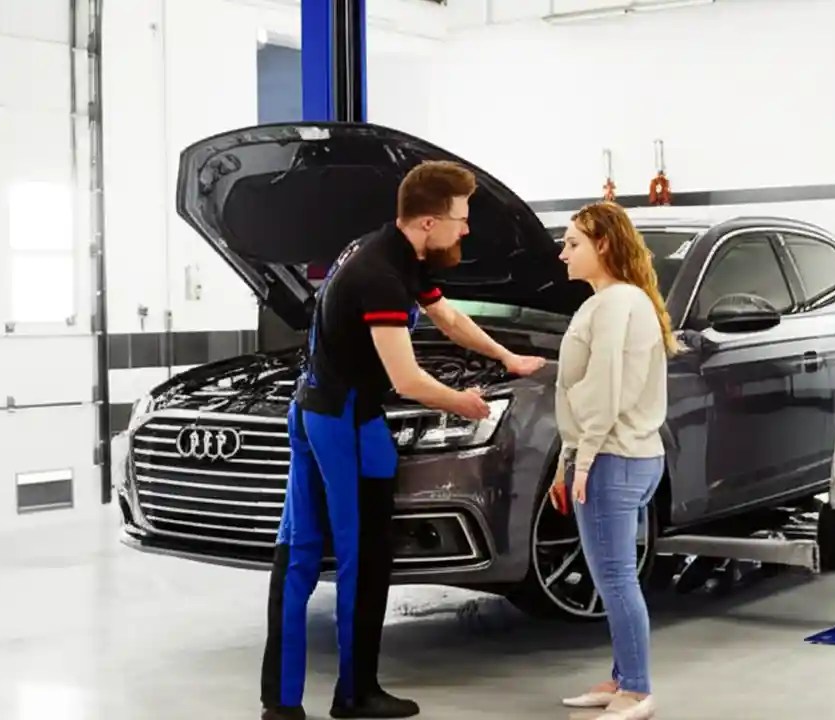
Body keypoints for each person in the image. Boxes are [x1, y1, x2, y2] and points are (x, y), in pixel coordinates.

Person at [260, 160, 547, 720]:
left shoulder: (393, 251)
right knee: (348, 555)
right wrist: (464, 402)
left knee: (326, 550)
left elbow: (449, 320)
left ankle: (311, 697)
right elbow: (408, 380)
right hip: (337, 420)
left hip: (333, 411)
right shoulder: (379, 275)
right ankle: (336, 697)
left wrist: (507, 358)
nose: (465, 230)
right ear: (427, 223)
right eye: (460, 219)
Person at [549, 201, 680, 720]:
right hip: (631, 456)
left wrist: (581, 463)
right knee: (614, 575)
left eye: (573, 243)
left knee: (616, 579)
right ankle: (623, 676)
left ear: (603, 244)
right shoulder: (623, 301)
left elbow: (603, 388)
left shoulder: (612, 305)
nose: (563, 254)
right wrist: (569, 458)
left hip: (611, 458)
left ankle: (638, 690)